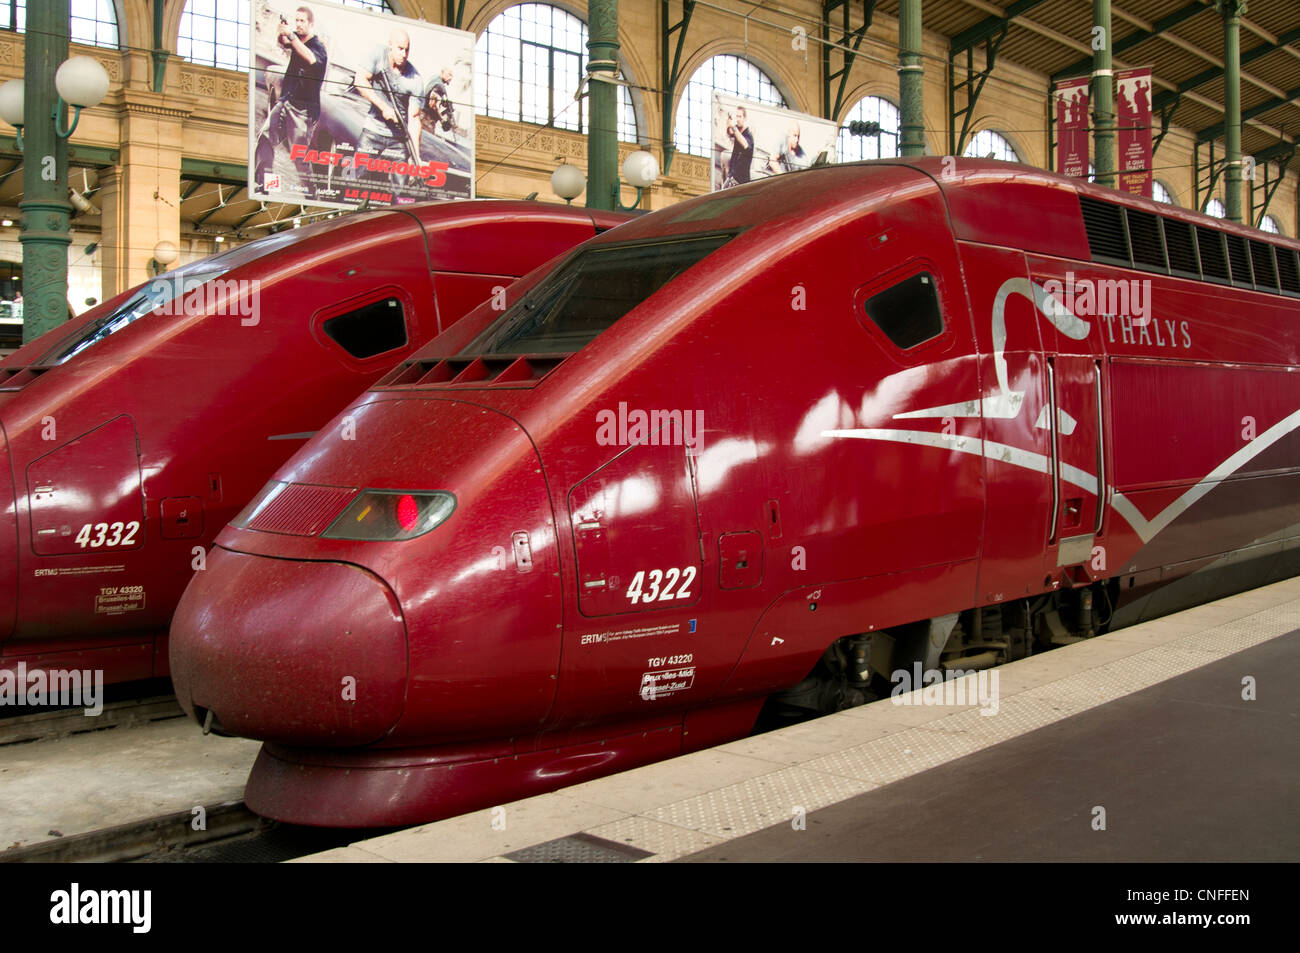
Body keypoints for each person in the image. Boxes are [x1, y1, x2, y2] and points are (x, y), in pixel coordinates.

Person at [253, 6, 328, 192]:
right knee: (264, 137)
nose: (298, 24)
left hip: (303, 110)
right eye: (297, 20)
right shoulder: (298, 41)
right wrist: (282, 32)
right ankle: (266, 184)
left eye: (302, 21)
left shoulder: (317, 48)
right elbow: (283, 43)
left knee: (299, 157)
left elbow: (311, 59)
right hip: (286, 101)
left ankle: (311, 193)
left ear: (311, 24)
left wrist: (292, 37)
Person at [348, 29, 424, 185]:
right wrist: (383, 107)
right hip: (372, 132)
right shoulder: (377, 55)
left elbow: (414, 119)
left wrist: (415, 157)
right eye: (400, 48)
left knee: (400, 190)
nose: (404, 54)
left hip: (398, 140)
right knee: (355, 181)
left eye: (407, 49)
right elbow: (360, 80)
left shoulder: (415, 79)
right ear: (390, 45)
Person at [723, 106, 754, 188]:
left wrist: (733, 127)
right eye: (736, 116)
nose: (737, 119)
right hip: (733, 177)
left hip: (741, 182)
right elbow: (730, 133)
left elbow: (745, 144)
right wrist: (729, 125)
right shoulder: (738, 131)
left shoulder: (748, 136)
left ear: (745, 118)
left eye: (740, 116)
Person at [424, 67, 457, 141]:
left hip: (423, 116)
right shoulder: (439, 86)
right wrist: (442, 120)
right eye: (449, 74)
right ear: (442, 72)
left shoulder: (434, 79)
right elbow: (432, 105)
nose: (450, 78)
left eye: (452, 76)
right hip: (427, 120)